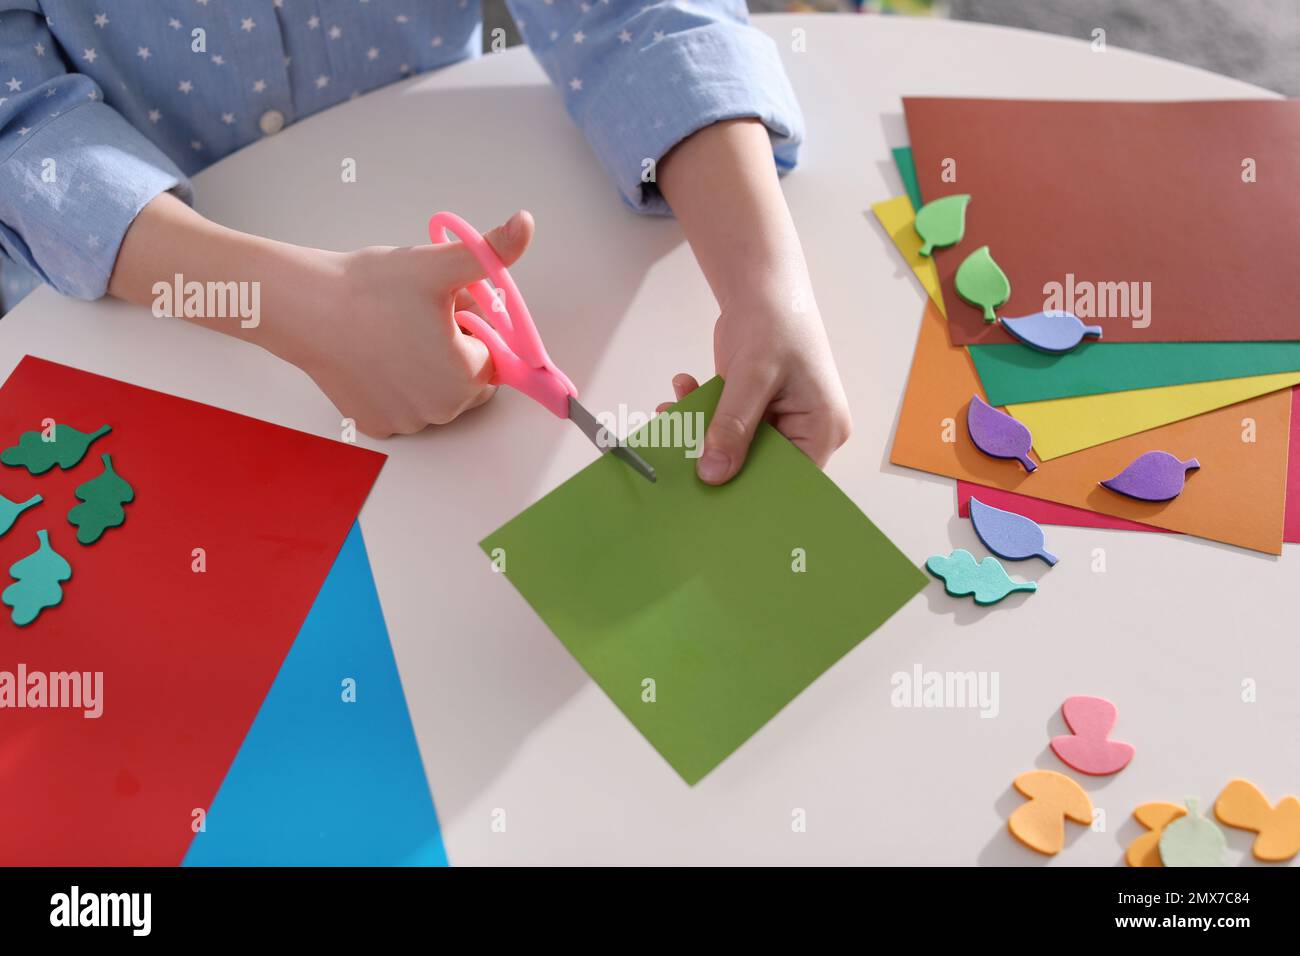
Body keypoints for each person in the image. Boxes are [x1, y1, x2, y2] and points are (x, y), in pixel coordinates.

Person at [0, 1, 849, 484]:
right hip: (128, 325)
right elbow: (18, 120)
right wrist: (295, 308)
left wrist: (766, 288)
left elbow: (634, 13)